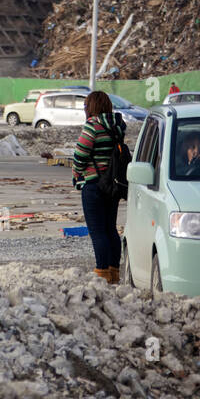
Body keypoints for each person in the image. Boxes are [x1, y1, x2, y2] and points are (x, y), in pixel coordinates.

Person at [71, 91, 126, 284]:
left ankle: (102, 273)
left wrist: (77, 173)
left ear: (92, 107)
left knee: (97, 231)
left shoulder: (93, 125)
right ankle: (114, 272)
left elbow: (80, 155)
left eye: (86, 106)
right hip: (112, 184)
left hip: (94, 184)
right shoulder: (118, 126)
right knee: (111, 228)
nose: (85, 110)